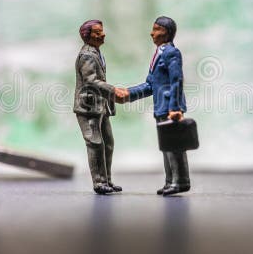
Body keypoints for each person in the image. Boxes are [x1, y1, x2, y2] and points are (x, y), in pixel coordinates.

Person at [115, 16, 190, 196]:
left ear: (167, 33)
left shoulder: (172, 53)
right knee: (166, 146)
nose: (152, 33)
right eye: (153, 28)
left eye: (156, 29)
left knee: (174, 147)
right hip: (160, 107)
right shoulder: (159, 54)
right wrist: (129, 94)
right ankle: (170, 181)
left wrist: (175, 108)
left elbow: (177, 81)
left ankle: (180, 182)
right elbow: (150, 85)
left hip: (170, 109)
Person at [74, 19, 121, 195]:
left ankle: (107, 179)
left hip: (100, 105)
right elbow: (91, 80)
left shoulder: (96, 52)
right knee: (95, 143)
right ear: (87, 36)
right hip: (88, 107)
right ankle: (99, 182)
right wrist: (113, 91)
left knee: (108, 143)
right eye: (98, 32)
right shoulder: (87, 55)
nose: (103, 34)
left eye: (102, 30)